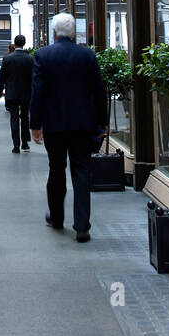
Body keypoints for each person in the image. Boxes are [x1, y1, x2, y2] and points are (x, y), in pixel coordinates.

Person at [30, 13, 106, 243]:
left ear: (54, 32)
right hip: (83, 125)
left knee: (56, 169)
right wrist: (102, 122)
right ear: (74, 33)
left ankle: (56, 217)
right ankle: (82, 226)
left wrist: (35, 124)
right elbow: (99, 91)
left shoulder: (43, 55)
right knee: (82, 172)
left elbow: (38, 92)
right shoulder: (87, 54)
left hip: (54, 125)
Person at [0, 34, 34, 153]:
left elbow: (2, 76)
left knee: (14, 118)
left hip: (12, 93)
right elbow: (33, 77)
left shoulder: (8, 59)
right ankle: (25, 143)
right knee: (25, 117)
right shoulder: (30, 59)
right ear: (24, 44)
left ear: (15, 43)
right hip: (26, 93)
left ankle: (16, 145)